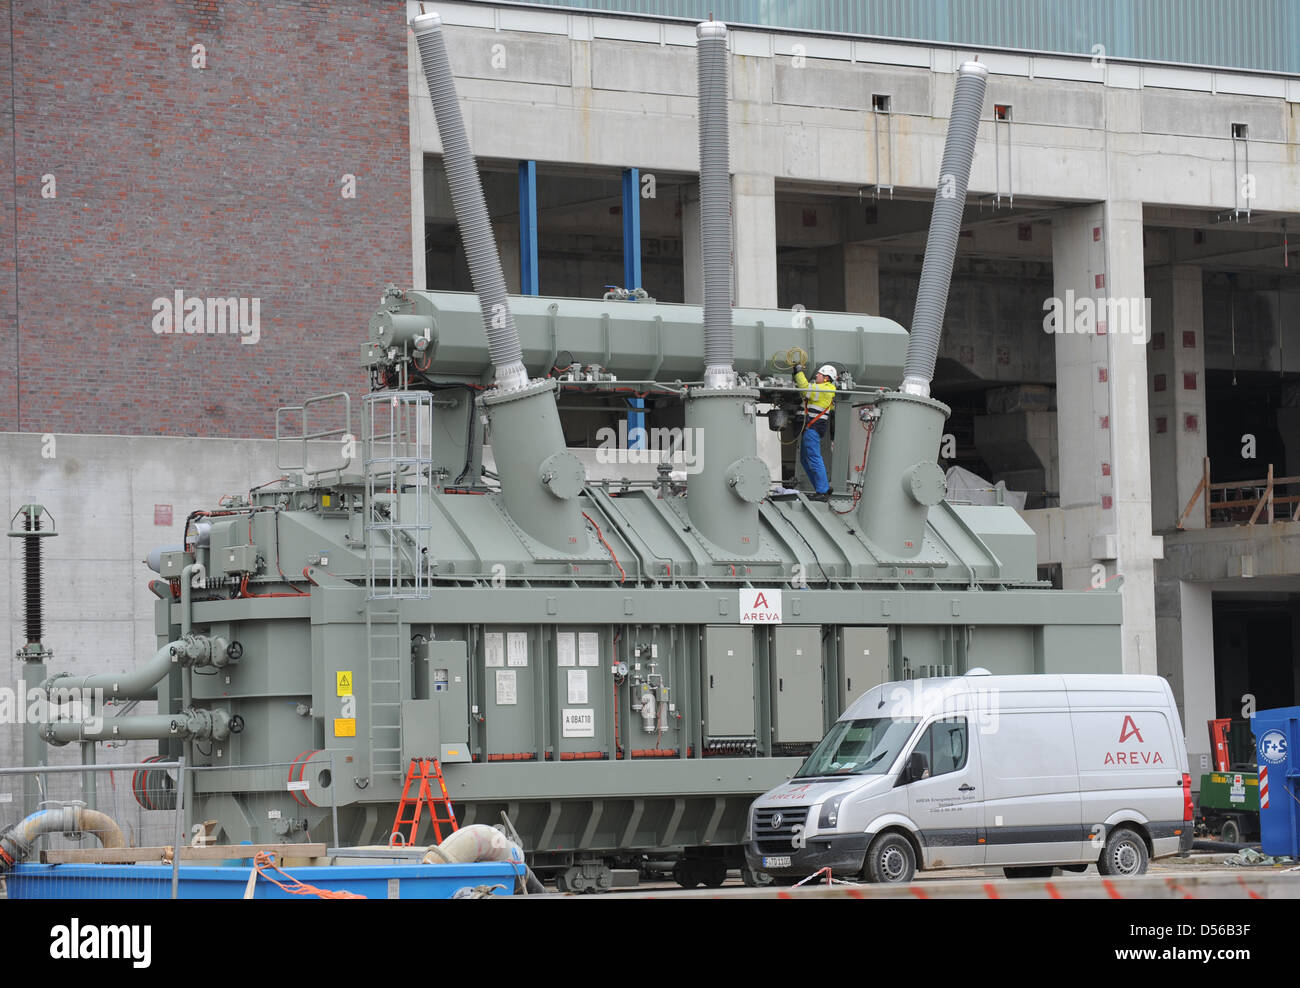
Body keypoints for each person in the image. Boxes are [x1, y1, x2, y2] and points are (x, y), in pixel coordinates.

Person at [793, 362, 837, 500]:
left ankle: (822, 491)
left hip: (813, 428)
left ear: (826, 378)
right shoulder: (823, 388)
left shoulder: (825, 389)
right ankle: (821, 487)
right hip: (810, 429)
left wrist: (798, 373)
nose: (816, 375)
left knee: (814, 458)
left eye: (819, 374)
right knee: (805, 460)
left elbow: (806, 389)